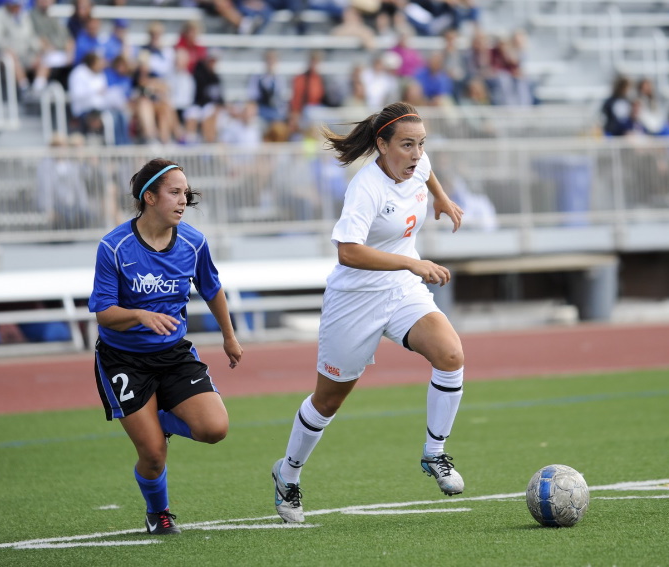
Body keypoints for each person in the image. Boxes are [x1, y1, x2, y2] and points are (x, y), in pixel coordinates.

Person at [270, 101, 467, 524]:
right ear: (382, 144)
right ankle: (288, 473)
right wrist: (413, 262)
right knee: (327, 401)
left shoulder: (418, 162)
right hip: (354, 300)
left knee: (450, 355)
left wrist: (443, 200)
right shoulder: (366, 187)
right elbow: (348, 252)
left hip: (400, 290)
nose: (416, 154)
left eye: (421, 144)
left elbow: (428, 172)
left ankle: (435, 453)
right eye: (407, 145)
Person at [88, 157, 243, 535]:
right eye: (174, 192)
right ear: (150, 197)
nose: (183, 201)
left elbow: (212, 288)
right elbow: (104, 314)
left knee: (215, 428)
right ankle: (158, 513)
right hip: (122, 359)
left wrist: (229, 335)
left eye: (185, 194)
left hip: (173, 355)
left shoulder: (193, 242)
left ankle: (156, 418)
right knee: (153, 455)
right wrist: (140, 315)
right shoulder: (114, 247)